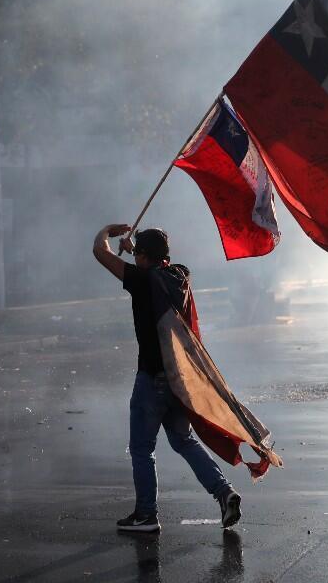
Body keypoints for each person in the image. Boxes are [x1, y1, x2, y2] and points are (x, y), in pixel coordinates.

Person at [93, 223, 241, 534]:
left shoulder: (141, 280)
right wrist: (134, 251)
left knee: (142, 448)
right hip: (178, 378)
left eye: (139, 255)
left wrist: (107, 231)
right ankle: (224, 491)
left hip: (152, 378)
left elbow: (99, 252)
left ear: (144, 257)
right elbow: (152, 265)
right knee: (183, 441)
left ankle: (146, 515)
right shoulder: (179, 276)